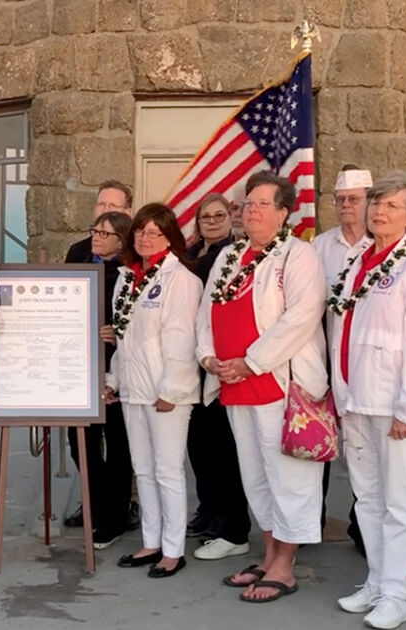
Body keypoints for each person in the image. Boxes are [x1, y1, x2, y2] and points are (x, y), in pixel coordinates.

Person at [196, 171, 328, 603]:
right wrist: (208, 358)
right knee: (256, 477)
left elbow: (300, 318)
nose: (250, 210)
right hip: (234, 384)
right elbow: (206, 311)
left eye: (261, 204)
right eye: (247, 203)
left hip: (277, 383)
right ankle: (269, 554)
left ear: (284, 212)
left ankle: (285, 566)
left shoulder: (299, 256)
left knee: (288, 477)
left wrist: (249, 362)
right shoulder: (229, 257)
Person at [327, 171, 406, 629]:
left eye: (391, 206)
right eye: (375, 204)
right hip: (356, 401)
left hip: (394, 407)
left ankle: (399, 594)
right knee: (368, 500)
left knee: (399, 503)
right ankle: (377, 581)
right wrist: (341, 398)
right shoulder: (357, 264)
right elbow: (343, 334)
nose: (379, 212)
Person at [103, 203, 203, 578]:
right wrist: (114, 380)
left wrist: (172, 388)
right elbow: (125, 337)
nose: (145, 238)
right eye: (140, 231)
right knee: (142, 469)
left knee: (167, 469)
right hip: (133, 388)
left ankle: (174, 550)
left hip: (167, 393)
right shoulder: (127, 278)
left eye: (153, 232)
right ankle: (151, 540)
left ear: (170, 238)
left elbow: (181, 340)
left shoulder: (182, 280)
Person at [182, 194, 252, 561]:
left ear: (230, 217)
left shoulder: (234, 257)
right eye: (204, 215)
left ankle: (229, 521)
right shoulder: (188, 254)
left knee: (222, 449)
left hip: (218, 365)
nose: (211, 221)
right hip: (189, 362)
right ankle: (207, 509)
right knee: (197, 447)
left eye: (219, 215)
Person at [312, 164, 373, 555]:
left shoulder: (383, 246)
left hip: (365, 367)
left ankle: (362, 526)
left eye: (354, 199)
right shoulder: (319, 247)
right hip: (322, 361)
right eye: (340, 200)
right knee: (313, 444)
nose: (346, 206)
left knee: (363, 451)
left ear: (370, 202)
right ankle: (307, 522)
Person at [63, 209, 134, 549]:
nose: (97, 237)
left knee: (118, 444)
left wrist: (121, 334)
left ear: (122, 241)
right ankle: (99, 504)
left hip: (117, 368)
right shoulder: (78, 259)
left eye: (106, 234)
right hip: (78, 364)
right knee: (80, 442)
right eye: (96, 230)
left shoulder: (130, 272)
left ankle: (115, 517)